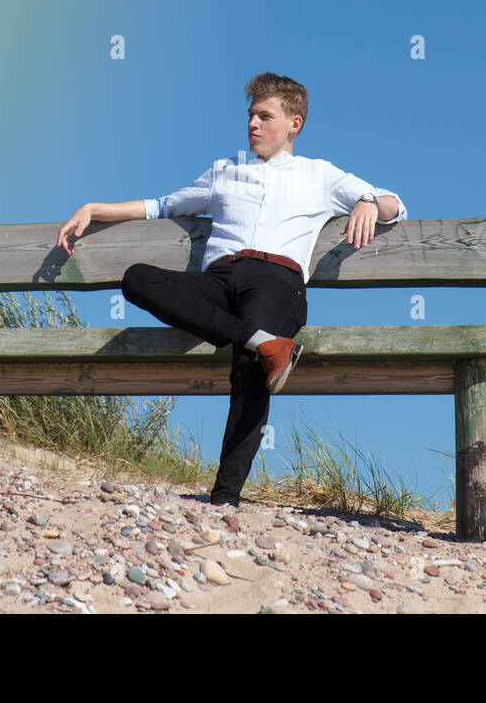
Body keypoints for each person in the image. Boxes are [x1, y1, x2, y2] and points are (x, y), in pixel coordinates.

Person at [55, 73, 407, 507]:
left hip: (277, 281)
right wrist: (95, 208)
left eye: (265, 116)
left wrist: (368, 199)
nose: (253, 124)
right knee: (138, 279)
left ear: (294, 124)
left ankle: (224, 498)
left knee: (248, 368)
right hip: (218, 280)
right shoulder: (225, 171)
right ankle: (265, 343)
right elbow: (163, 205)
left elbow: (395, 205)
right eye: (251, 115)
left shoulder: (320, 174)